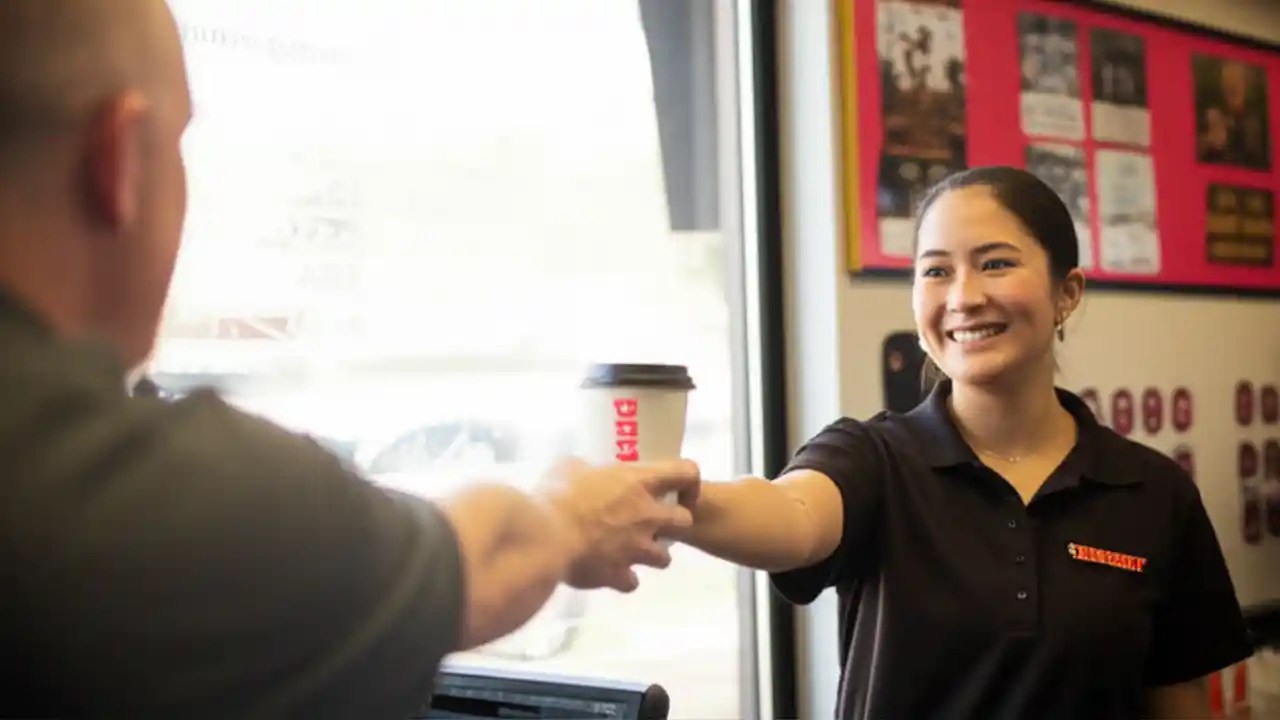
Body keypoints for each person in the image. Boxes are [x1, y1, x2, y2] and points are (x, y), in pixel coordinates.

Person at [0, 2, 699, 717]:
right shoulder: (134, 495)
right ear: (115, 159)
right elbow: (484, 562)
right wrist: (569, 517)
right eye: (176, 146)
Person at [677, 167, 1253, 718]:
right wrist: (675, 504)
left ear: (1067, 292)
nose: (963, 297)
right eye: (935, 272)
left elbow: (1180, 702)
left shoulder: (1153, 493)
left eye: (996, 264)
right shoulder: (873, 459)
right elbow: (791, 515)